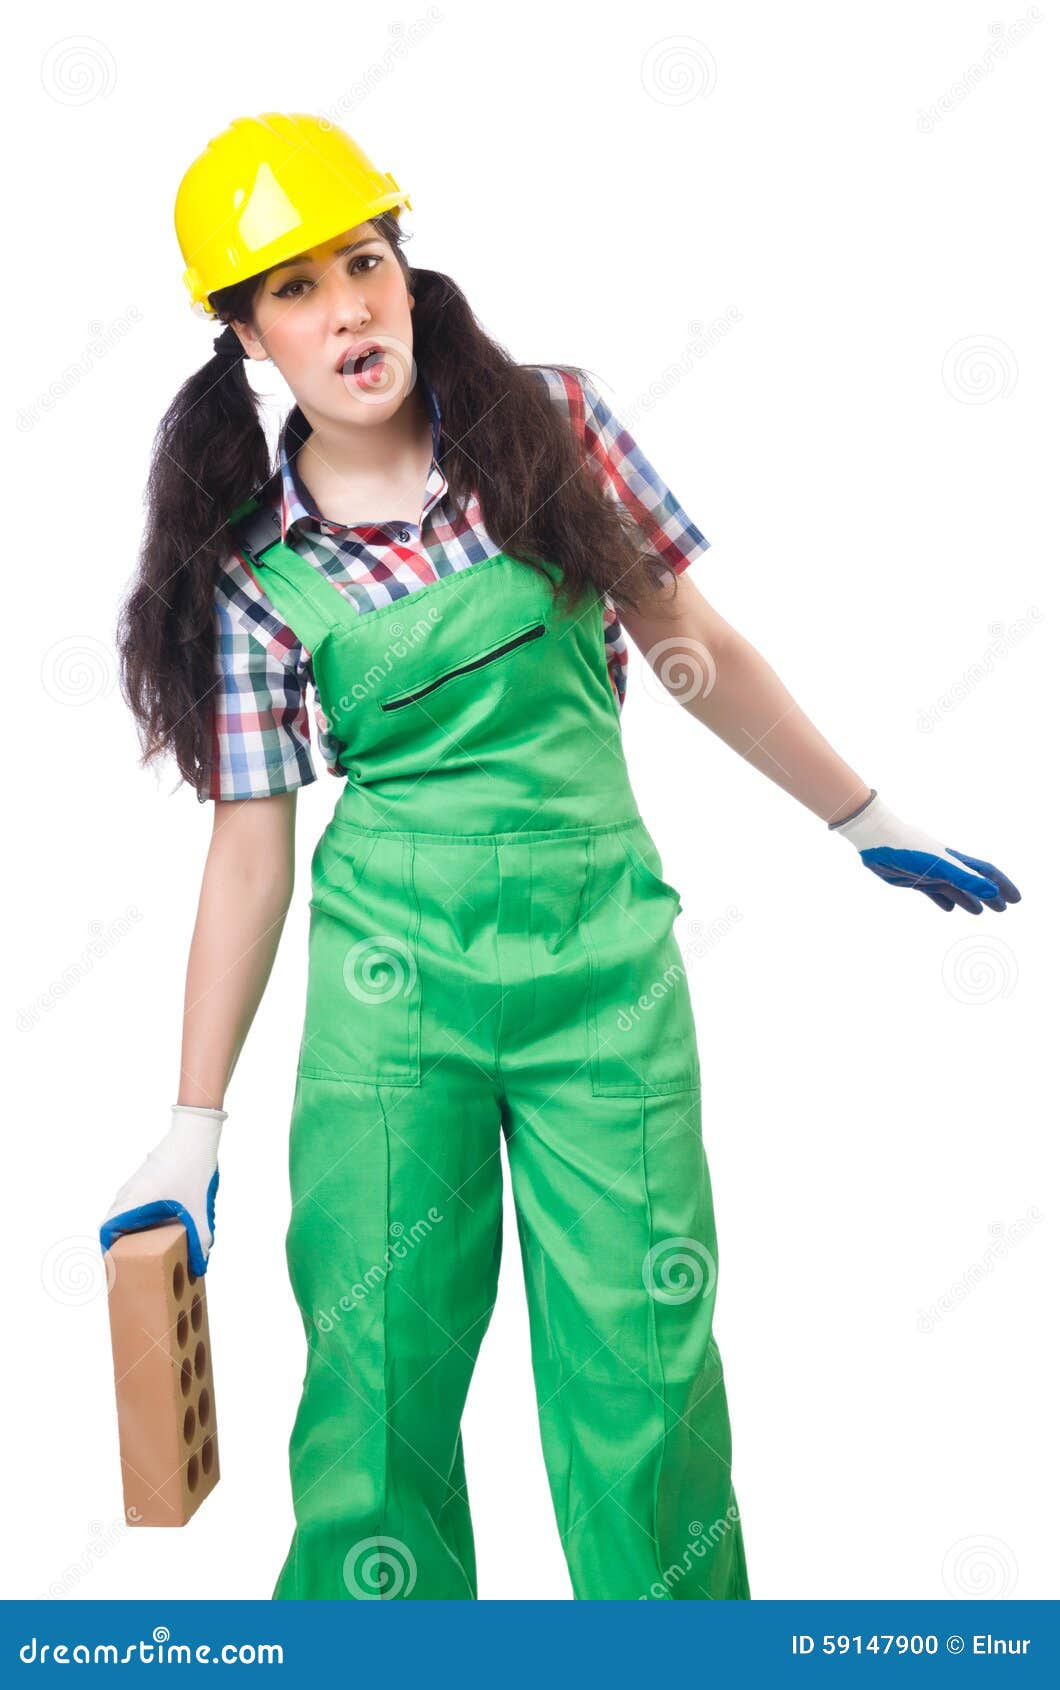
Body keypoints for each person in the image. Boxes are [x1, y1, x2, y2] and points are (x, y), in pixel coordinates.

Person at [98, 113, 1020, 1602]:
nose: (345, 306)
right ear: (245, 333)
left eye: (363, 261)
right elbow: (250, 853)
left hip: (606, 986)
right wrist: (194, 1115)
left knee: (644, 1376)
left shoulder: (553, 423)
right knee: (375, 1385)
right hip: (393, 1014)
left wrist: (866, 817)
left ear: (408, 271)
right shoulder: (253, 573)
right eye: (293, 287)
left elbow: (691, 646)